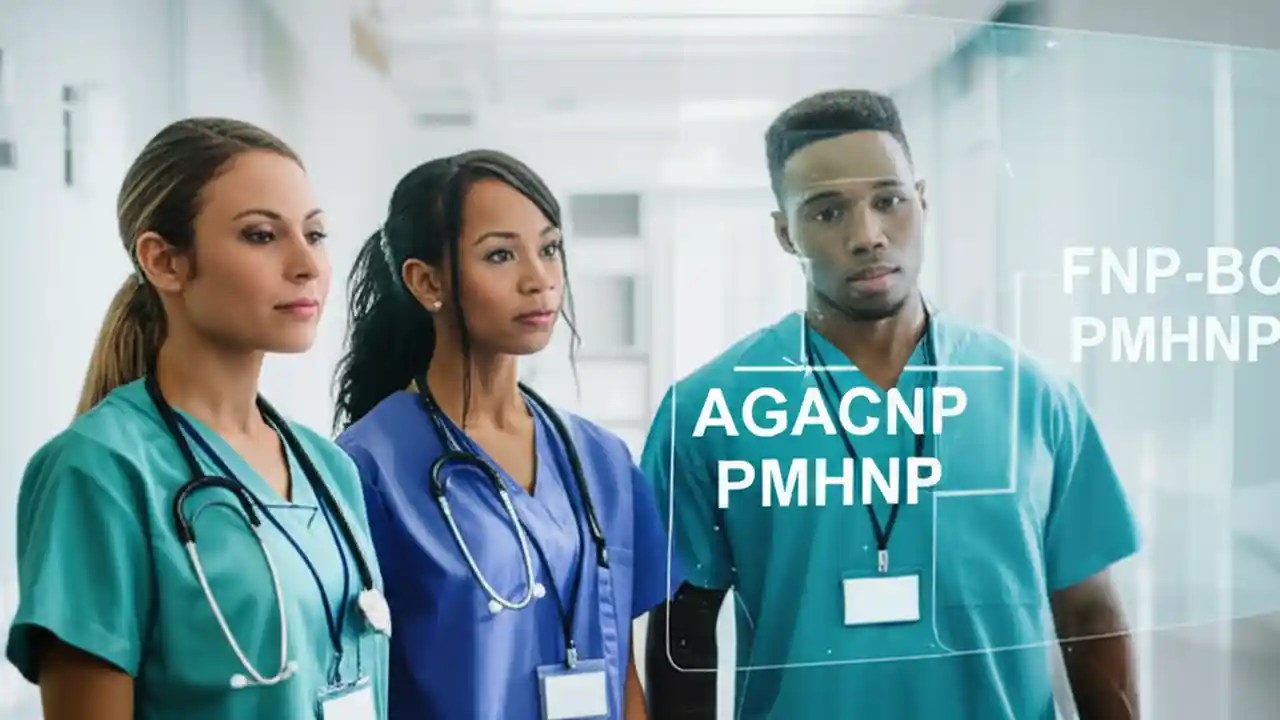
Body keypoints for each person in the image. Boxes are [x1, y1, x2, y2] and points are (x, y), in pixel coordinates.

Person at [640, 90, 1142, 720]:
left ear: (923, 201)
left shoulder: (1034, 396)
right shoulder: (708, 409)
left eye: (889, 201)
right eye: (827, 213)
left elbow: (1089, 609)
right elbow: (682, 632)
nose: (868, 236)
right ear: (783, 232)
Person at [4, 118, 391, 720]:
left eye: (314, 234)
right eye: (262, 235)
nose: (306, 263)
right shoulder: (100, 470)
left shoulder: (329, 469)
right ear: (165, 261)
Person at [332, 149, 676, 720]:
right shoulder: (368, 467)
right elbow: (357, 677)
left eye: (549, 249)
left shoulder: (600, 460)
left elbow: (625, 672)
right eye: (500, 255)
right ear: (426, 282)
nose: (539, 280)